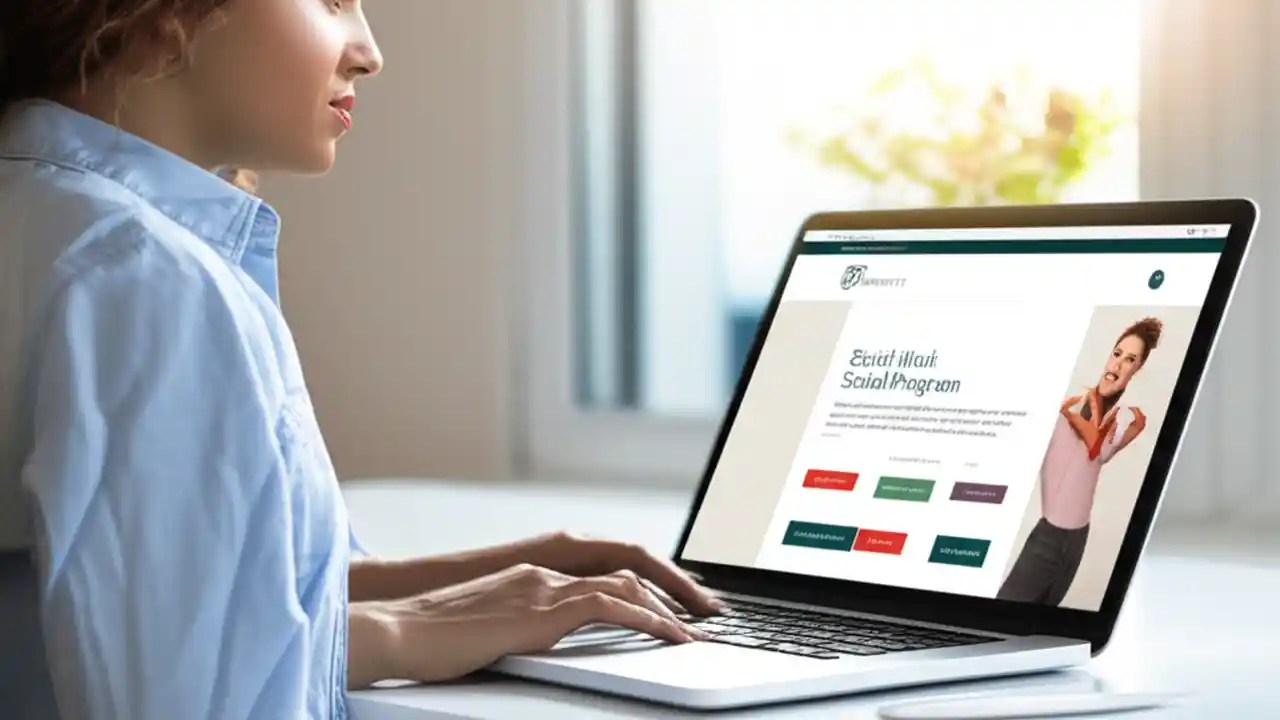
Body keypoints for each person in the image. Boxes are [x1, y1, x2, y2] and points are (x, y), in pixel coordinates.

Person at [0, 2, 718, 718]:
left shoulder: (49, 215)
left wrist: (505, 574)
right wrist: (409, 631)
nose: (369, 52)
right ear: (162, 15)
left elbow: (192, 598)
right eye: (332, 1)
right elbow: (189, 698)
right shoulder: (144, 275)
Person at [996, 317, 1162, 607]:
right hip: (1047, 540)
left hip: (1076, 541)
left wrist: (1125, 437)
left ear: (1137, 369)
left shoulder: (1112, 420)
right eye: (1117, 354)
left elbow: (1095, 458)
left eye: (1130, 360)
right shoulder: (1071, 405)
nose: (1118, 364)